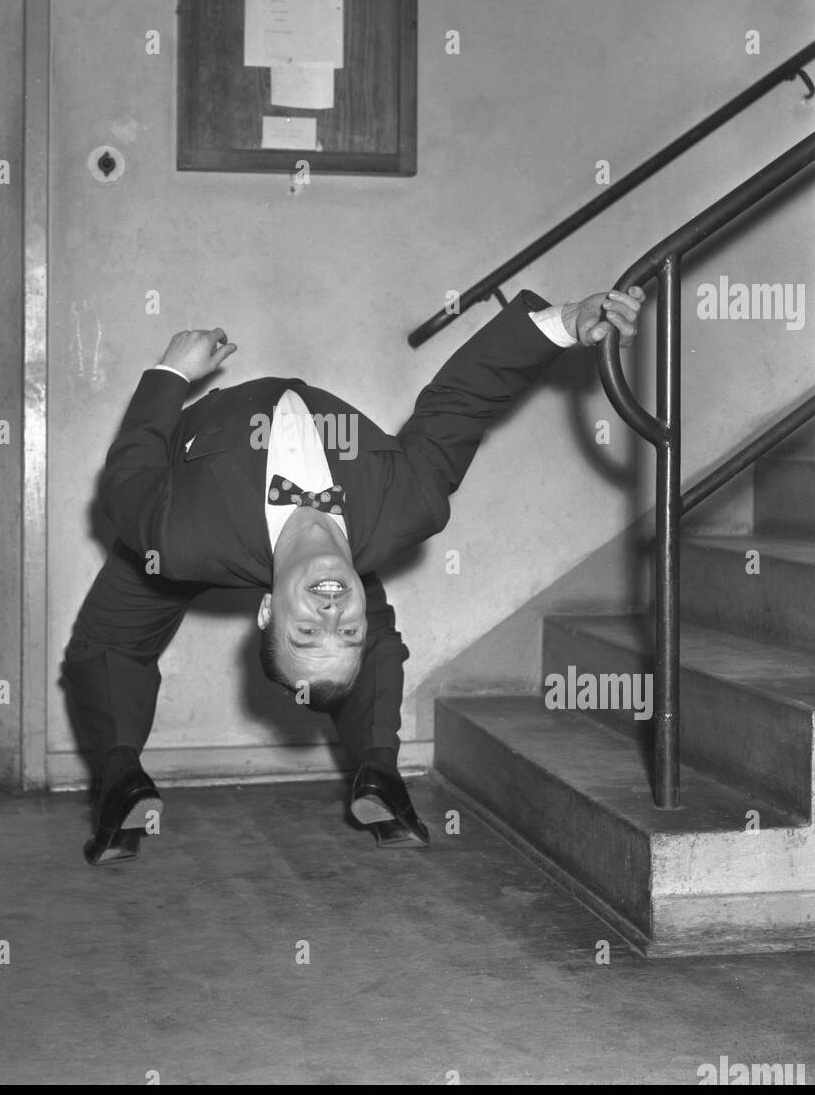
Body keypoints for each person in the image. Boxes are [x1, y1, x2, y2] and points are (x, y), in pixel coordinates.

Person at [61, 285, 644, 862]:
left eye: (306, 631)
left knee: (108, 644)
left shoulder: (177, 537)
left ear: (267, 610)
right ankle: (379, 770)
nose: (332, 614)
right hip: (339, 532)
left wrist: (170, 373)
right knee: (379, 643)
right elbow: (462, 402)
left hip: (183, 534)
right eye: (346, 629)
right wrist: (565, 323)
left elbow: (127, 477)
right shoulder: (409, 503)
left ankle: (118, 778)